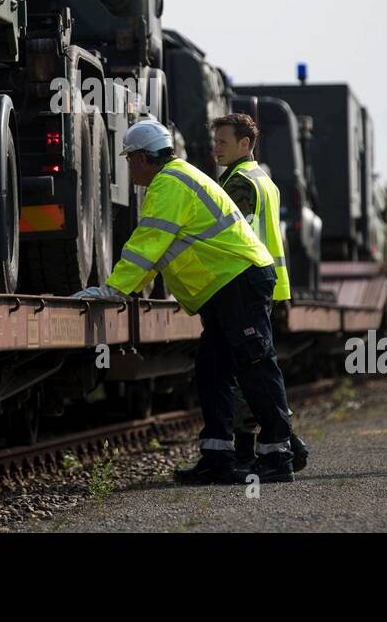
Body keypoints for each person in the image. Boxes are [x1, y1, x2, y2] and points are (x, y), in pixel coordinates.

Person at [75, 118, 297, 483]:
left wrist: (113, 290)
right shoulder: (176, 179)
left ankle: (278, 455)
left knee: (255, 364)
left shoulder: (170, 184)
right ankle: (217, 459)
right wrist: (124, 288)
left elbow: (147, 245)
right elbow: (157, 253)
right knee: (213, 369)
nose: (129, 167)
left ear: (144, 159)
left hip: (237, 282)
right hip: (226, 286)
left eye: (130, 159)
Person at [211, 113, 308, 472]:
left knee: (252, 372)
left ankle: (276, 448)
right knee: (254, 369)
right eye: (215, 141)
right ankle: (261, 448)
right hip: (265, 283)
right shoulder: (263, 178)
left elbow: (231, 240)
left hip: (243, 283)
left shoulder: (239, 184)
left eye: (223, 142)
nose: (216, 148)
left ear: (245, 143)